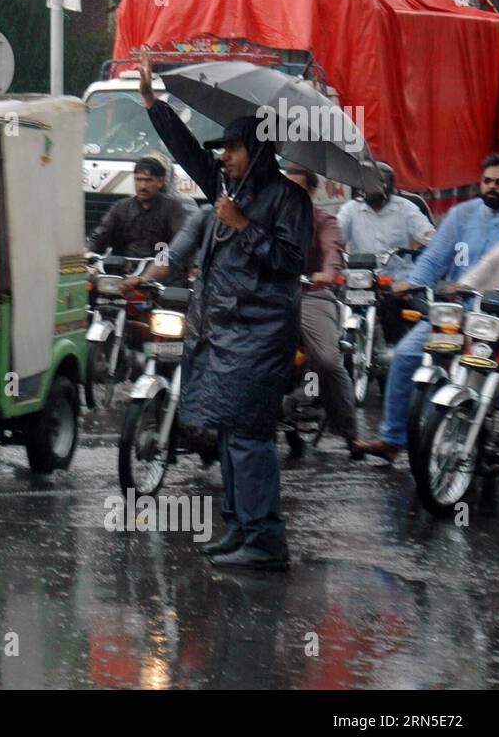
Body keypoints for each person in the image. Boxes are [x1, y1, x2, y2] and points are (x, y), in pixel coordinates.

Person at [139, 50, 311, 571]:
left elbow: (289, 262)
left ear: (258, 151)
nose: (224, 157)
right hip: (220, 333)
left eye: (233, 149)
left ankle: (266, 541)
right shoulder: (226, 190)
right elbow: (188, 153)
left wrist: (242, 226)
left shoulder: (288, 200)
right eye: (225, 150)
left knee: (252, 438)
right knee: (232, 432)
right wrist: (153, 103)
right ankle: (238, 527)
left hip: (260, 335)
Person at [353, 154, 499, 461]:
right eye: (488, 181)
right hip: (457, 312)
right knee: (405, 355)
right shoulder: (461, 215)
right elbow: (434, 258)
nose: (493, 187)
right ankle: (392, 438)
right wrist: (411, 282)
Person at [283, 165, 360, 449]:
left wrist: (327, 272)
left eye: (298, 189)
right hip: (270, 296)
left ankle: (350, 433)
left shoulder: (324, 221)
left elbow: (332, 250)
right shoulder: (266, 218)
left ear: (312, 192)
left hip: (311, 295)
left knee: (327, 360)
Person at [336, 160, 434, 276]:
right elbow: (335, 236)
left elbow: (429, 235)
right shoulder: (350, 209)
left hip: (399, 281)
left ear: (389, 186)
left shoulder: (406, 208)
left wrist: (429, 238)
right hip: (360, 278)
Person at [87, 156, 187, 260]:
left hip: (160, 270)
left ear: (160, 182)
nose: (142, 186)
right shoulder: (121, 208)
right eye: (138, 179)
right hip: (121, 271)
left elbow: (182, 243)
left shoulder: (173, 209)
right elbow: (100, 235)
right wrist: (87, 250)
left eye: (148, 180)